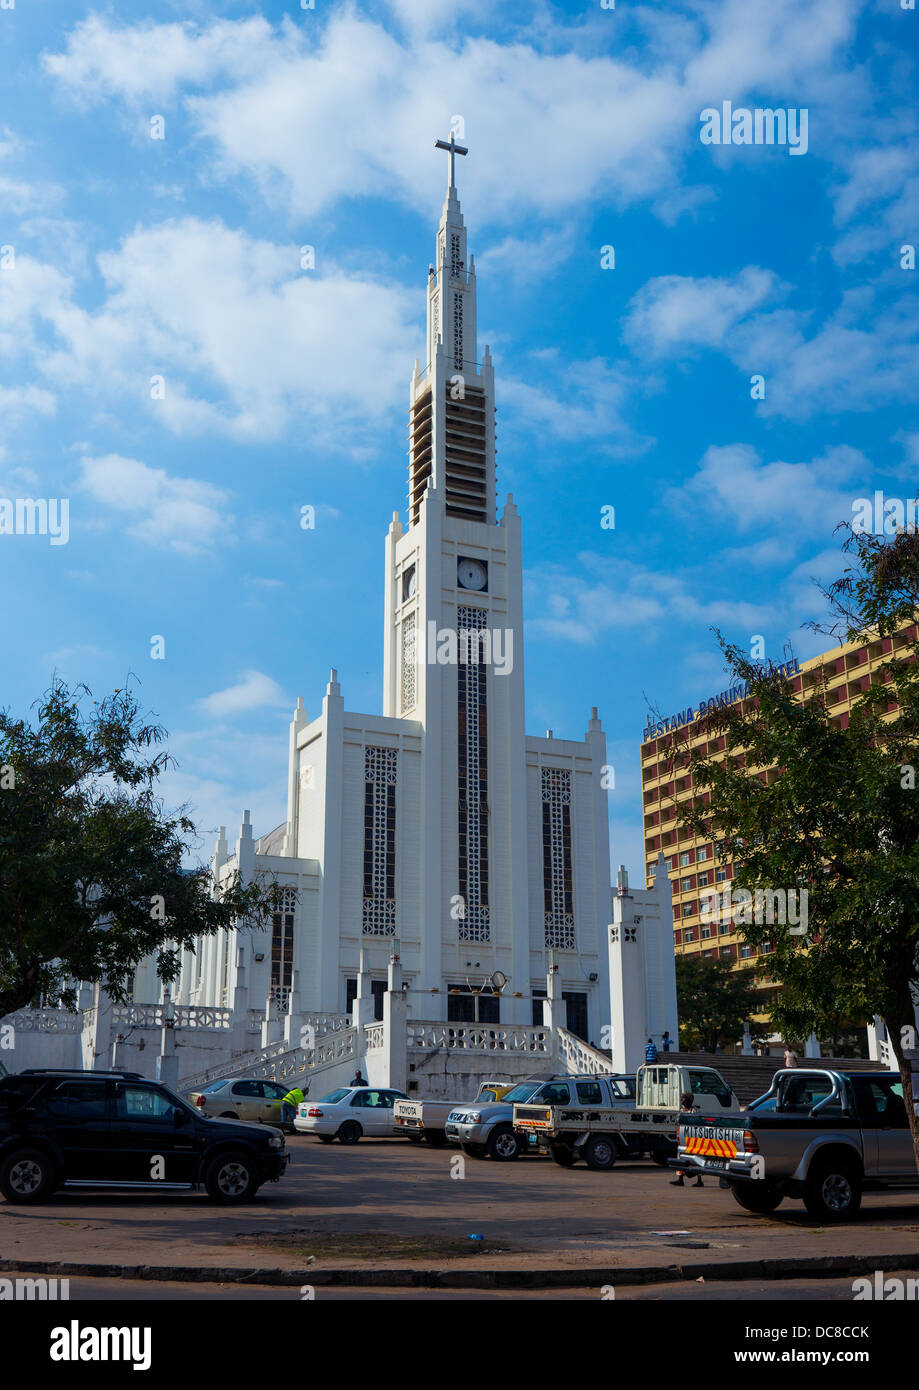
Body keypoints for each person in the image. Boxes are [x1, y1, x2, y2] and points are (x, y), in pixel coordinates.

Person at [670, 1091, 704, 1188]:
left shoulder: (694, 1111)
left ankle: (699, 1180)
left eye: (684, 1098)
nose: (682, 1100)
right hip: (682, 1139)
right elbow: (677, 1122)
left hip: (693, 1139)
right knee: (680, 1158)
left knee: (696, 1158)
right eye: (682, 1098)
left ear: (689, 1100)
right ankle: (680, 1179)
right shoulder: (681, 1111)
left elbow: (697, 1122)